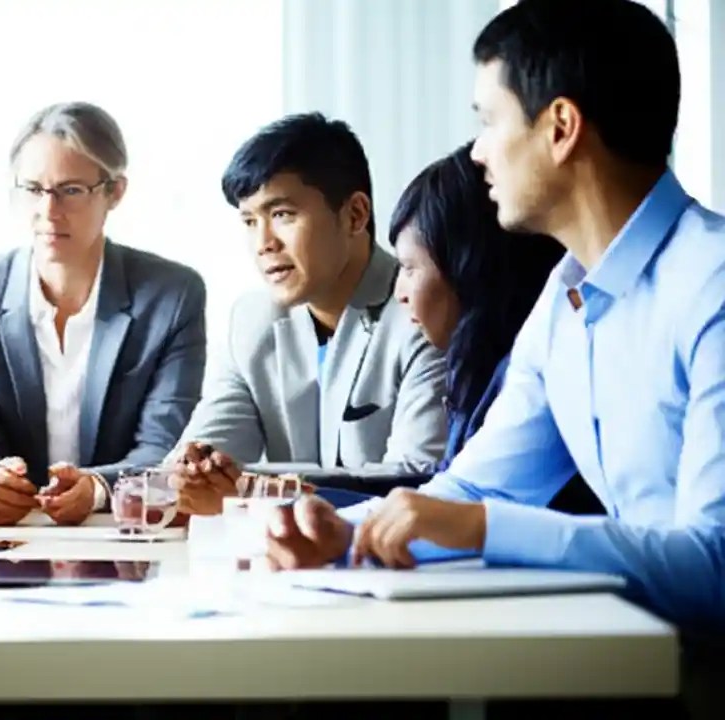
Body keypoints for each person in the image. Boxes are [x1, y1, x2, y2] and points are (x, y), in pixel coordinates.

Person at [266, 7, 725, 713]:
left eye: (488, 119)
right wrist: (343, 533)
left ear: (561, 127)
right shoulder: (566, 295)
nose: (477, 152)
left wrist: (476, 527)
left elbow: (714, 568)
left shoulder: (713, 285)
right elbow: (483, 488)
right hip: (640, 669)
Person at [0, 101, 207, 527]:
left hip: (124, 531)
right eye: (32, 189)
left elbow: (163, 447)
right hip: (15, 535)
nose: (48, 211)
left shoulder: (172, 295)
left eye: (70, 190)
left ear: (115, 192)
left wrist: (98, 490)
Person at [170, 113, 448, 516]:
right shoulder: (251, 321)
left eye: (282, 214)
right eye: (250, 221)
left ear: (355, 215)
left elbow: (416, 480)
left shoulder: (420, 312)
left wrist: (252, 490)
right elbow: (199, 461)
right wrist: (192, 475)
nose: (263, 243)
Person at [390, 142, 600, 514]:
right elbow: (457, 494)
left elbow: (469, 509)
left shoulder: (535, 362)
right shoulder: (487, 366)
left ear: (468, 266)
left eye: (409, 268)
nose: (399, 293)